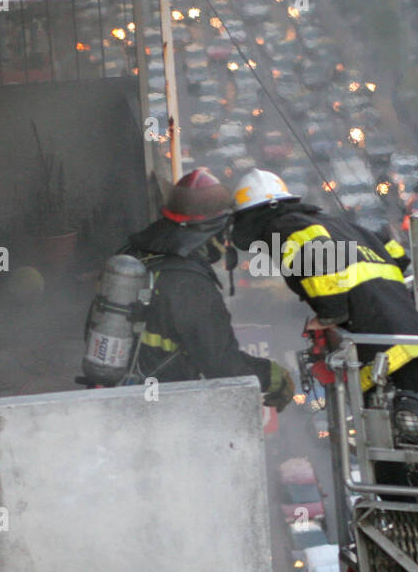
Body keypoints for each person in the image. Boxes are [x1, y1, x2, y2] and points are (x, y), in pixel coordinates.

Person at [229, 169, 418, 491]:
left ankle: (414, 524)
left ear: (253, 217)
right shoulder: (339, 225)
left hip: (381, 356)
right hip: (412, 340)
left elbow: (325, 286)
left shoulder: (287, 229)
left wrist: (328, 316)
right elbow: (398, 256)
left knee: (392, 456)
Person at [118, 167, 294, 409]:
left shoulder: (135, 252)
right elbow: (222, 365)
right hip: (160, 404)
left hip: (121, 388)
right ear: (211, 232)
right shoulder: (189, 284)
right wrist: (272, 376)